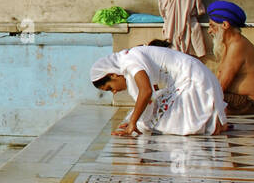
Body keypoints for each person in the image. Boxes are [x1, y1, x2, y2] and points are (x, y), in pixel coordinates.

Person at [91, 44, 228, 136]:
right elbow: (152, 95)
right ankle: (214, 120)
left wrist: (133, 124)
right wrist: (137, 120)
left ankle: (213, 123)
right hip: (191, 77)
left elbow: (146, 92)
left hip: (193, 79)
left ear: (113, 75)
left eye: (110, 88)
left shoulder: (130, 62)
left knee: (160, 123)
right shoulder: (128, 57)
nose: (114, 92)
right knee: (149, 117)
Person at [206, 0, 254, 114]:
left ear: (225, 25)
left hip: (247, 103)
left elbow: (221, 85)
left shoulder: (237, 45)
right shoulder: (229, 44)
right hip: (237, 99)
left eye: (212, 26)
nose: (209, 31)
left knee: (198, 101)